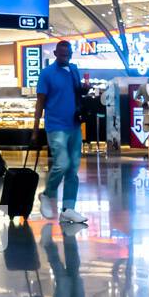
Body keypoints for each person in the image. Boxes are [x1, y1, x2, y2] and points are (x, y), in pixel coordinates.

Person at [32, 40, 88, 224]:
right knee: (62, 163)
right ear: (55, 54)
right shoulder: (47, 74)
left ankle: (68, 209)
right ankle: (47, 195)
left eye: (68, 54)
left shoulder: (73, 70)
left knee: (73, 168)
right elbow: (40, 102)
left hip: (73, 125)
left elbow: (76, 94)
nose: (66, 57)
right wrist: (35, 129)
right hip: (56, 126)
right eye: (62, 54)